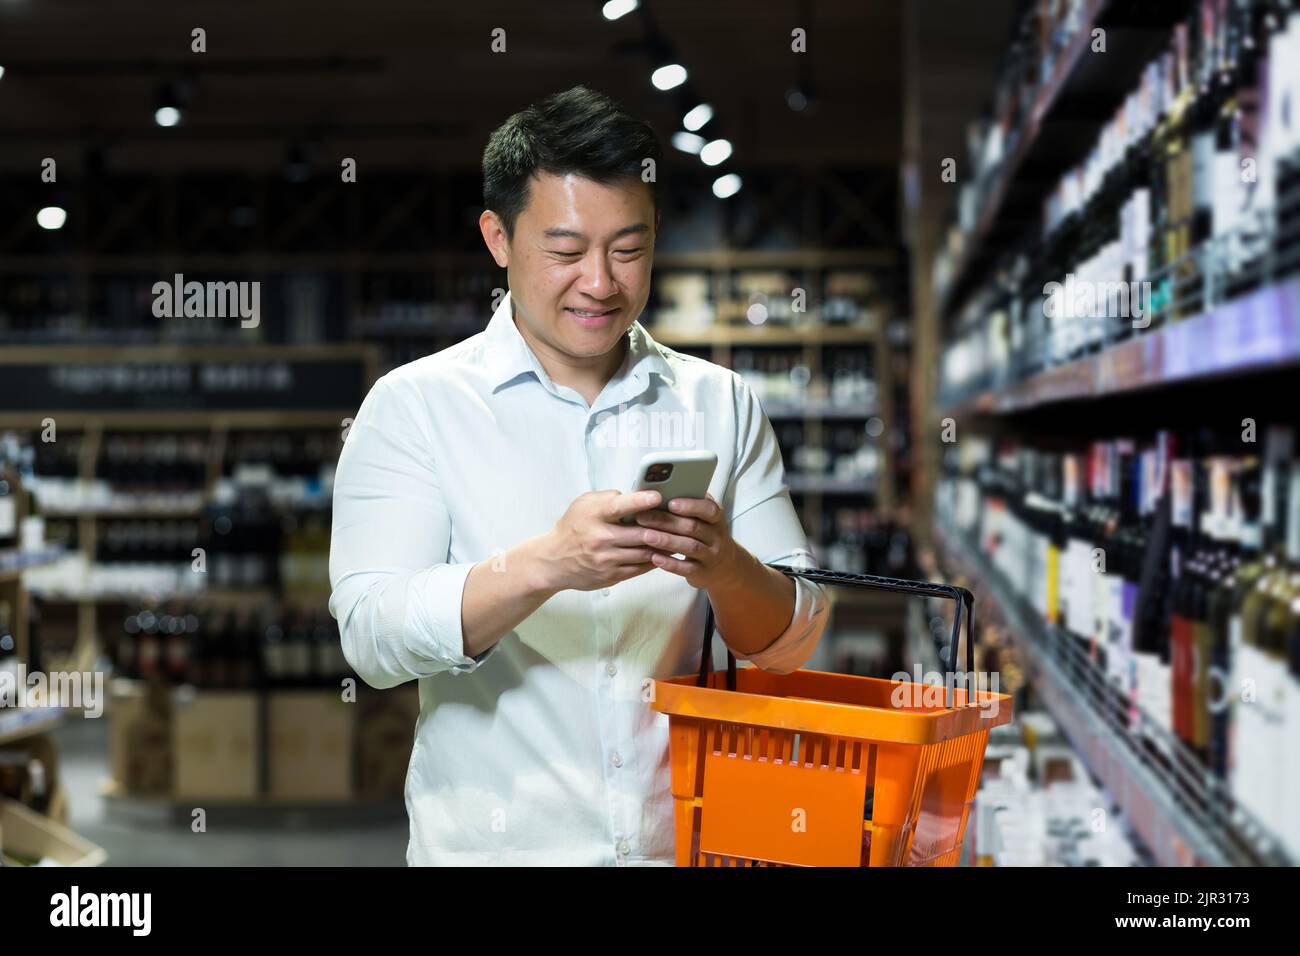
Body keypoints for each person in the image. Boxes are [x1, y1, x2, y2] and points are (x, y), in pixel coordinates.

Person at [329, 85, 829, 866]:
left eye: (628, 250)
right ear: (498, 237)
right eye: (564, 252)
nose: (600, 282)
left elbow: (793, 641)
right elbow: (372, 637)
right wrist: (548, 564)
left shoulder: (719, 402)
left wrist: (726, 567)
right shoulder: (416, 407)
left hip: (692, 846)